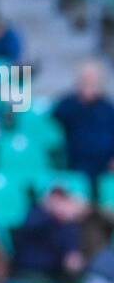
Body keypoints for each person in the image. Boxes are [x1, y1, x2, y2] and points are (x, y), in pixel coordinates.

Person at [53, 62, 114, 196]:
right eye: (86, 79)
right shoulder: (68, 104)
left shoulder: (108, 107)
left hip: (105, 165)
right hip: (77, 163)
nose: (89, 84)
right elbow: (53, 122)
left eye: (93, 80)